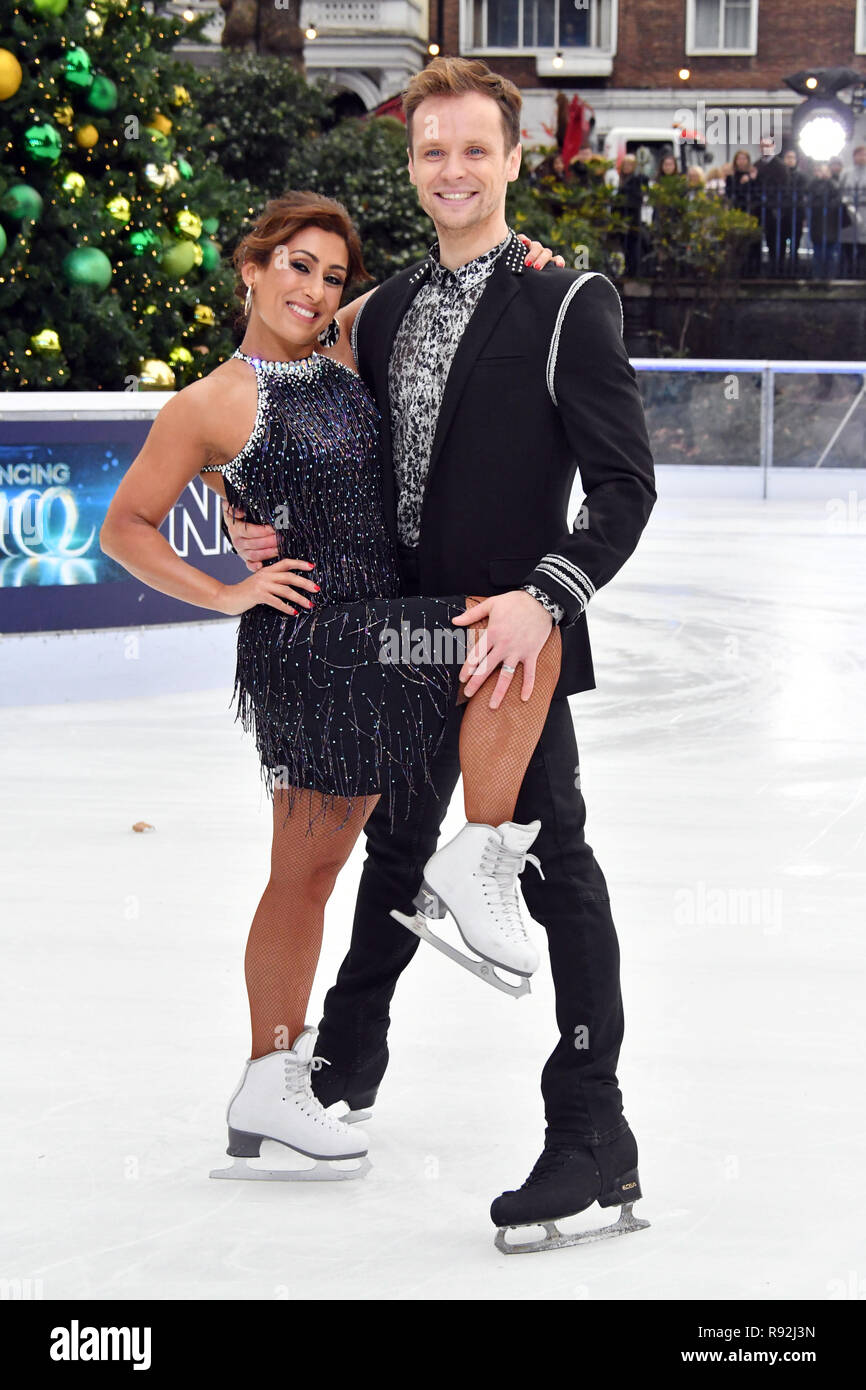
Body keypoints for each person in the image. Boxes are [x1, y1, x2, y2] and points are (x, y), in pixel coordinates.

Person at [227, 57, 656, 1249]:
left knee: (551, 863)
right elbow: (294, 418)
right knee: (396, 850)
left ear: (513, 158)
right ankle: (344, 1061)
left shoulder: (567, 300)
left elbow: (623, 487)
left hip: (506, 643)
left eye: (474, 149)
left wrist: (544, 600)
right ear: (409, 164)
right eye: (431, 151)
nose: (452, 170)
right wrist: (248, 517)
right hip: (396, 635)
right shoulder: (390, 308)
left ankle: (590, 1126)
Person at [99, 189, 566, 1182]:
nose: (312, 289)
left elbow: (434, 283)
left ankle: (269, 1083)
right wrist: (229, 588)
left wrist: (518, 252)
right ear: (250, 269)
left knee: (306, 872)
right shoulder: (215, 400)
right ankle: (476, 856)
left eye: (329, 274)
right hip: (318, 644)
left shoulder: (341, 349)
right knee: (524, 623)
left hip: (370, 626)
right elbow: (124, 525)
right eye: (294, 267)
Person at [840, 146, 866, 278]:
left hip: (864, 212)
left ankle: (861, 274)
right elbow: (841, 190)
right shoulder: (846, 173)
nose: (862, 157)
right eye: (860, 155)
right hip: (849, 212)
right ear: (854, 156)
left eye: (864, 155)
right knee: (848, 245)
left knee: (863, 246)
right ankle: (848, 273)